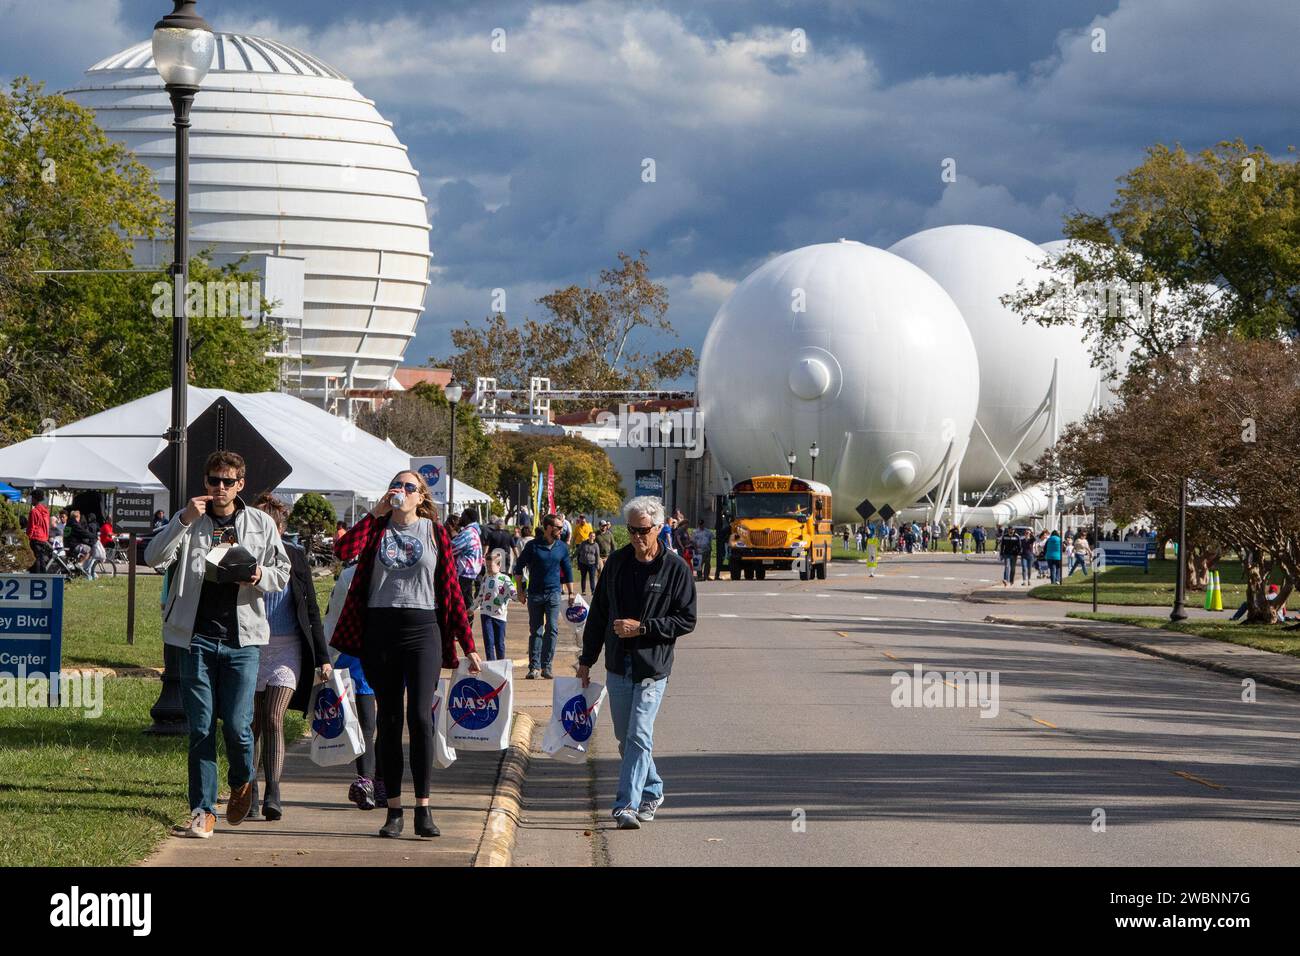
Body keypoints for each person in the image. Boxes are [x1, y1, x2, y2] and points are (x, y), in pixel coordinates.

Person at [144, 449, 292, 839]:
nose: (220, 488)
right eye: (214, 481)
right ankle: (203, 810)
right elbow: (153, 556)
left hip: (243, 640)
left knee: (241, 727)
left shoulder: (260, 523)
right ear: (205, 482)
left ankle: (242, 780)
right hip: (196, 638)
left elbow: (283, 573)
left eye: (228, 481)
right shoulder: (189, 522)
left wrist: (259, 574)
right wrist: (181, 520)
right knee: (202, 727)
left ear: (241, 484)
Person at [328, 470, 480, 839]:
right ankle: (393, 810)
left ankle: (423, 809)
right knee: (390, 720)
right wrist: (375, 513)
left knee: (420, 718)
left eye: (409, 487)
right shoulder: (377, 529)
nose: (401, 491)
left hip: (423, 630)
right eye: (396, 485)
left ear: (421, 497)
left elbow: (451, 592)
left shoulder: (435, 532)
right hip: (380, 631)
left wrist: (467, 643)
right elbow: (342, 551)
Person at [577, 495, 697, 830]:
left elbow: (687, 620)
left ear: (659, 528)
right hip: (618, 663)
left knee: (639, 735)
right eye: (631, 530)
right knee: (624, 737)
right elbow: (598, 614)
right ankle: (653, 788)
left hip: (652, 667)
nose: (636, 537)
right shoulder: (615, 563)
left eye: (643, 530)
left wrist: (643, 628)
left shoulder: (675, 569)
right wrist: (587, 659)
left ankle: (625, 806)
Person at [247, 494, 331, 822]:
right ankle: (249, 790)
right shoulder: (241, 556)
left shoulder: (294, 557)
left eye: (273, 527)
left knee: (273, 717)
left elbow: (310, 609)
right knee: (251, 723)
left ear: (281, 529)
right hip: (251, 646)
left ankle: (273, 791)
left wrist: (322, 657)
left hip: (287, 649)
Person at [513, 513, 575, 680]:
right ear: (548, 528)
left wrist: (571, 591)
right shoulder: (533, 546)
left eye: (562, 528)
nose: (562, 530)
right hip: (535, 594)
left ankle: (547, 666)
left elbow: (568, 570)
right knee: (536, 630)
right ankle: (533, 667)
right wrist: (520, 590)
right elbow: (518, 568)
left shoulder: (562, 547)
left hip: (554, 593)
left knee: (552, 629)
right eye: (558, 528)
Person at [475, 550, 516, 661]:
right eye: (486, 566)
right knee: (489, 642)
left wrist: (521, 598)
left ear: (499, 565)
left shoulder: (505, 579)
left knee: (499, 643)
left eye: (490, 566)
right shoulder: (485, 578)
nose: (488, 568)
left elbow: (513, 593)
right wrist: (471, 608)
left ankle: (501, 665)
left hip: (500, 616)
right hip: (485, 614)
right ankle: (491, 665)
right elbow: (480, 595)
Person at [451, 507, 484, 610]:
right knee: (466, 601)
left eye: (463, 516)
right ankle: (467, 623)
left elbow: (451, 548)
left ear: (468, 518)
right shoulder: (473, 531)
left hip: (464, 571)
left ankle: (463, 623)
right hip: (469, 571)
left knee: (457, 602)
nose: (460, 518)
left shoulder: (468, 533)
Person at [25, 489, 52, 574]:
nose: (31, 500)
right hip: (43, 538)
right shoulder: (46, 511)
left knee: (35, 559)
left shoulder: (34, 511)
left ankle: (35, 577)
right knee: (41, 559)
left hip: (35, 538)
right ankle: (43, 576)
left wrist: (27, 538)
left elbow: (31, 527)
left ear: (35, 498)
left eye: (32, 498)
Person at [576, 530, 600, 595]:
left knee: (592, 578)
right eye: (591, 536)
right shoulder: (583, 543)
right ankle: (583, 591)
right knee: (583, 577)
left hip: (592, 564)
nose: (592, 537)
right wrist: (575, 560)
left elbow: (597, 555)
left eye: (593, 536)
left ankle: (593, 591)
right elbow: (578, 551)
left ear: (594, 537)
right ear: (588, 536)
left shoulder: (596, 545)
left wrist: (597, 564)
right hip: (583, 563)